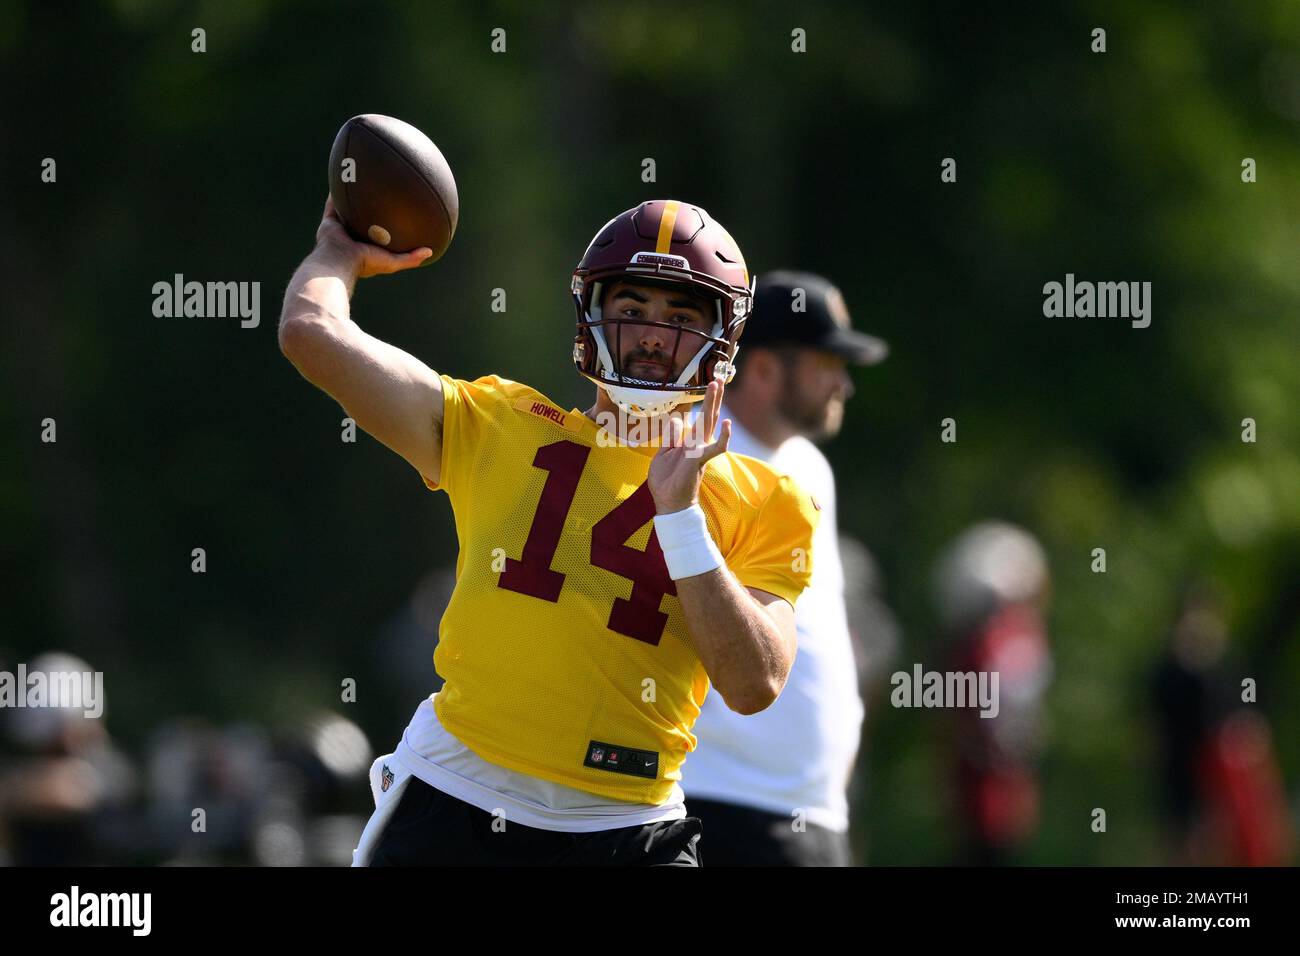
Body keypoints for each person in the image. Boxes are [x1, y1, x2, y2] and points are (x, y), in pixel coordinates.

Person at [278, 198, 820, 866]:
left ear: (723, 339)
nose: (653, 336)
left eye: (681, 317)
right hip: (459, 799)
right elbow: (311, 333)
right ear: (592, 316)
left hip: (629, 824)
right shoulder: (500, 425)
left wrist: (681, 519)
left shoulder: (768, 498)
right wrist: (338, 251)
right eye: (632, 310)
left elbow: (753, 684)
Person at [680, 271, 888, 866]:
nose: (845, 385)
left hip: (812, 812)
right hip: (716, 802)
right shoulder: (694, 460)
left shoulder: (810, 468)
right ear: (766, 369)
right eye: (829, 363)